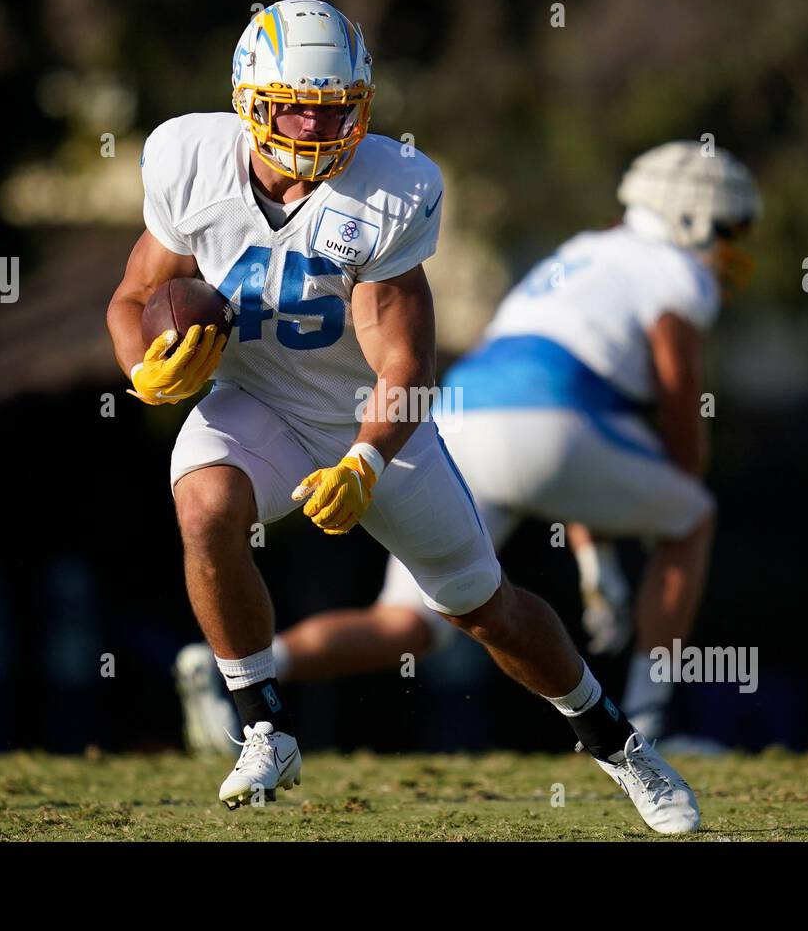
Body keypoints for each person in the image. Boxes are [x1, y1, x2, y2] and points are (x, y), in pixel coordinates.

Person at [107, 0, 700, 831]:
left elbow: (403, 362)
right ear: (250, 100)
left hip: (370, 416)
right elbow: (136, 295)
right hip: (256, 404)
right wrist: (144, 368)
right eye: (297, 104)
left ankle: (618, 744)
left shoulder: (391, 186)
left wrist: (367, 461)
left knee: (482, 607)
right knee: (204, 506)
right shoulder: (189, 159)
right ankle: (263, 728)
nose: (316, 126)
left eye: (335, 105)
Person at [178, 141, 761, 744]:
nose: (730, 248)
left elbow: (573, 412)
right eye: (729, 230)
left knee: (410, 623)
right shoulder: (677, 271)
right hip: (543, 425)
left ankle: (248, 672)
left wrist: (593, 553)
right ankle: (650, 722)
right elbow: (673, 405)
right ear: (694, 219)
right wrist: (670, 493)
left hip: (456, 415)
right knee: (691, 518)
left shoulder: (581, 253)